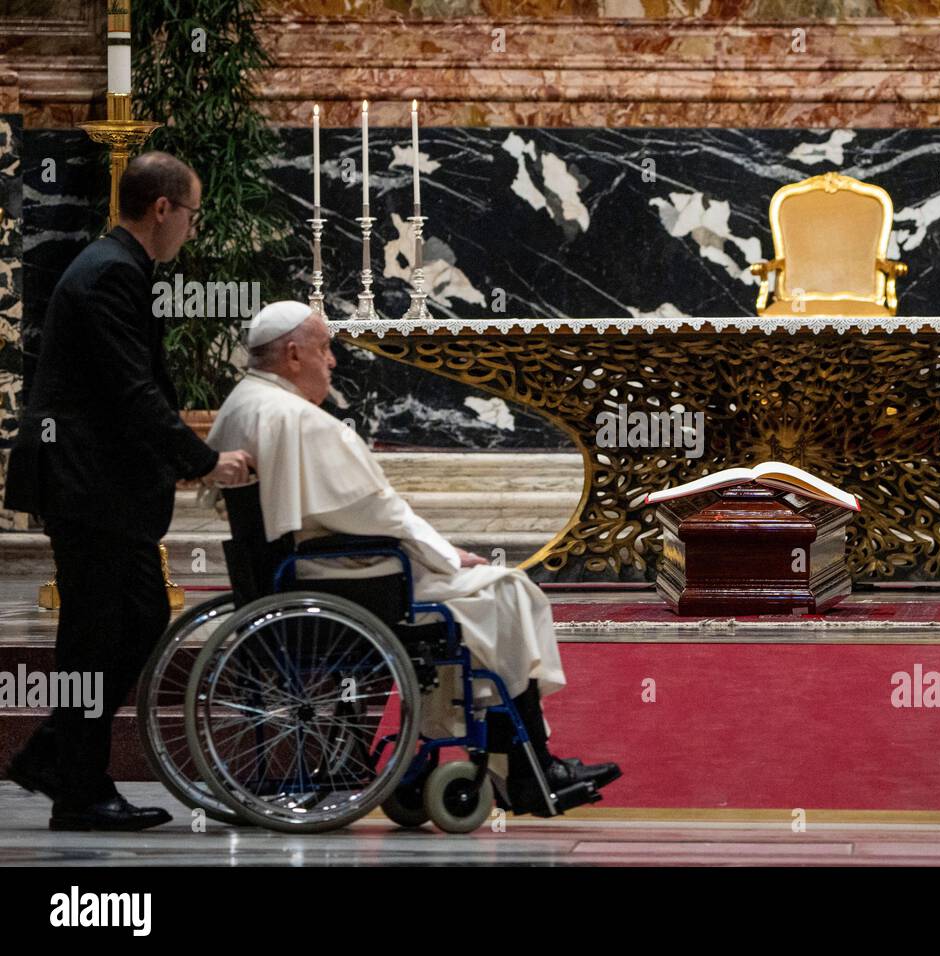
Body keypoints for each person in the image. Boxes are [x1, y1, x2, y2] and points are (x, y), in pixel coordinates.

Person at [205, 301, 620, 814]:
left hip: (306, 576)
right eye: (324, 348)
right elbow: (379, 512)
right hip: (353, 582)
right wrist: (446, 555)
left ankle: (514, 763)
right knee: (507, 592)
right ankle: (531, 765)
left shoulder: (245, 401)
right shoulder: (299, 420)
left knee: (487, 600)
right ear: (293, 354)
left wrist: (437, 553)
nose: (331, 362)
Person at [3, 152, 254, 831]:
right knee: (96, 634)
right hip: (89, 486)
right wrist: (203, 460)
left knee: (135, 618)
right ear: (163, 209)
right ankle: (76, 785)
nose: (193, 231)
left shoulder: (116, 268)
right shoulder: (113, 272)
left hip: (96, 486)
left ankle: (57, 757)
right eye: (193, 215)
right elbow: (130, 391)